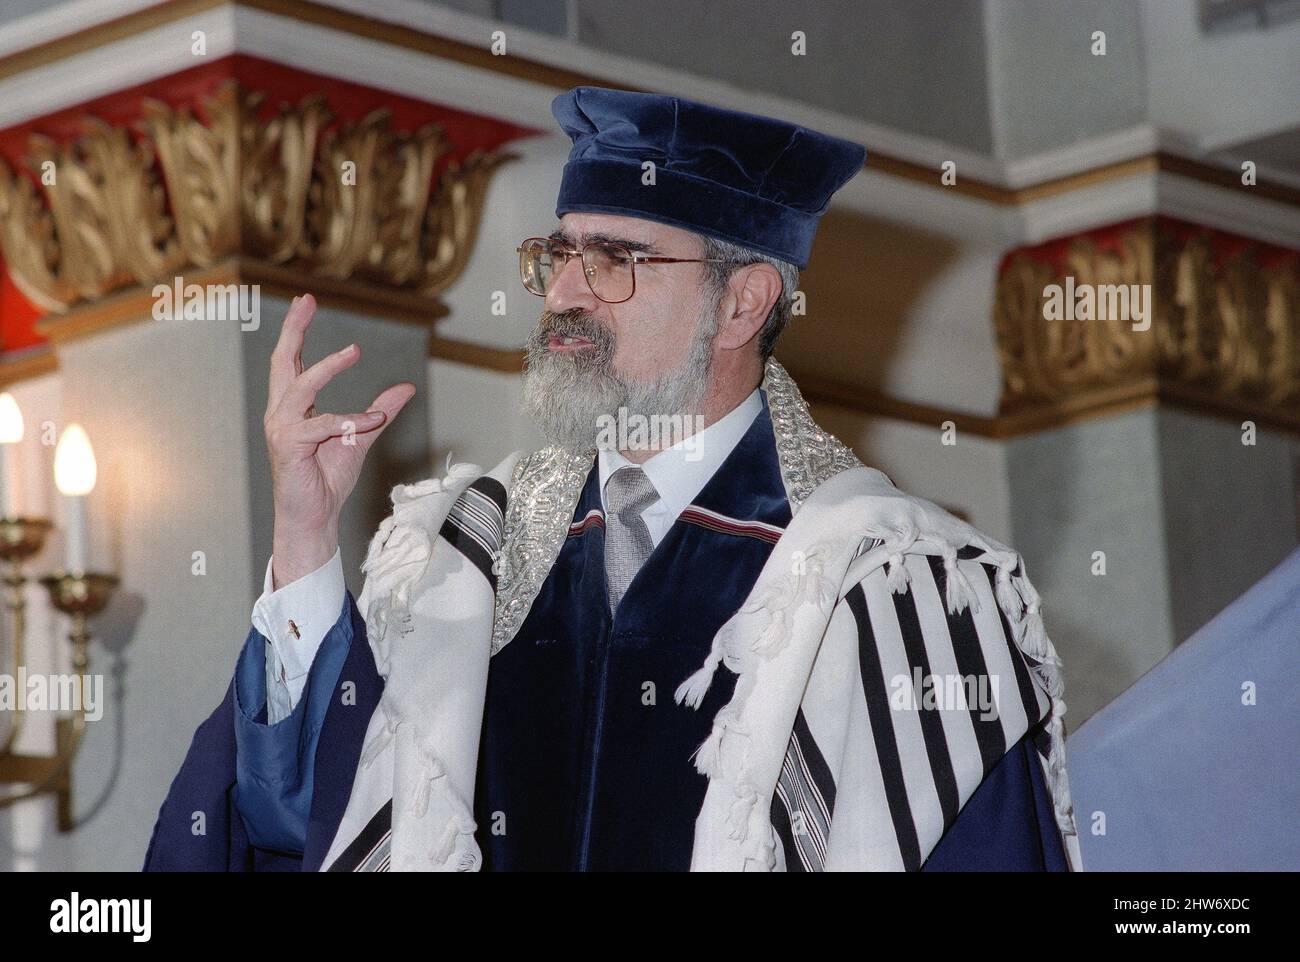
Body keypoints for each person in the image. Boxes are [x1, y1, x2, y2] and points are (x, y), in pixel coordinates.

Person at [145, 86, 1076, 872]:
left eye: (616, 260)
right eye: (559, 254)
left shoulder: (891, 586)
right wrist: (307, 544)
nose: (562, 293)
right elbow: (295, 817)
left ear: (743, 302)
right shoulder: (472, 552)